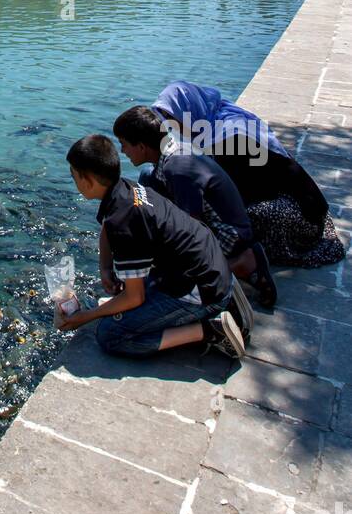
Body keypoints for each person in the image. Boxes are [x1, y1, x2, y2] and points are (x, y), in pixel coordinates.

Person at [57, 134, 244, 360]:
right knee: (125, 294)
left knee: (110, 334)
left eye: (74, 176)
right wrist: (105, 268)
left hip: (202, 289)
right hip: (210, 267)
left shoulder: (124, 222)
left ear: (87, 181)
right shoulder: (126, 189)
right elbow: (107, 225)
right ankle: (218, 307)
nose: (74, 181)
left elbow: (134, 298)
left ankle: (209, 331)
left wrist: (85, 317)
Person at [154, 81, 345, 269]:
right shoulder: (219, 120)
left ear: (189, 111)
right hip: (303, 204)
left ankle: (250, 257)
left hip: (305, 216)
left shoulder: (229, 139)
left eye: (175, 119)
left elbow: (251, 190)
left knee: (235, 221)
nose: (175, 128)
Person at [112, 104, 275, 312]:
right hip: (212, 223)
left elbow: (191, 232)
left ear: (142, 146)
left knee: (170, 282)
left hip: (230, 233)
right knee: (146, 179)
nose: (122, 151)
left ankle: (243, 262)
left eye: (124, 144)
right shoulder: (170, 155)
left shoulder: (177, 168)